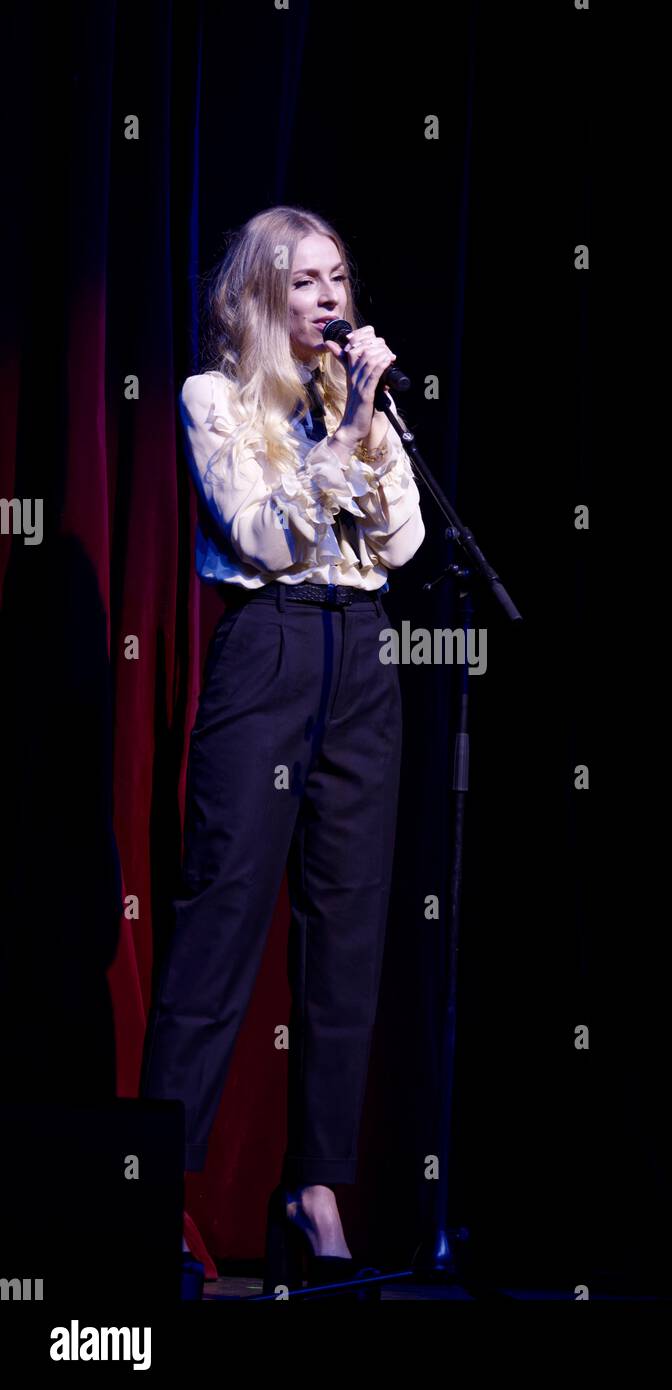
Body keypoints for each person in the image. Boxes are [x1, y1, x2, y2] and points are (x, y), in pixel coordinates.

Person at [138, 205, 424, 1289]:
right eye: (307, 281)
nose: (330, 299)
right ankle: (152, 1191)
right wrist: (345, 437)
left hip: (363, 650)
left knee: (347, 932)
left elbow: (398, 540)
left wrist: (367, 423)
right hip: (270, 644)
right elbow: (259, 534)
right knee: (222, 919)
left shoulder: (349, 399)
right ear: (261, 292)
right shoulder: (214, 398)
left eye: (339, 278)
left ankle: (317, 1189)